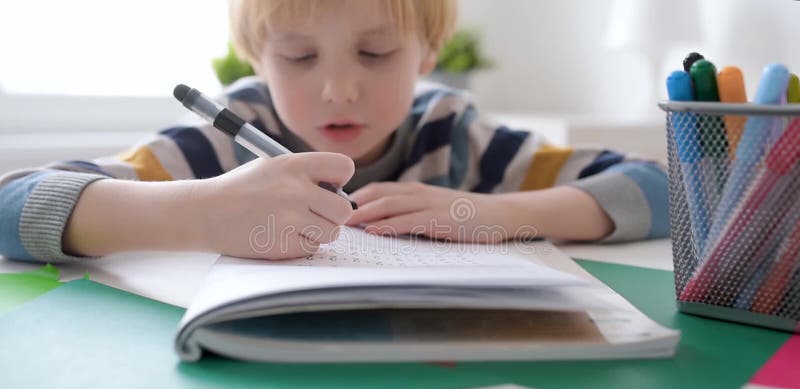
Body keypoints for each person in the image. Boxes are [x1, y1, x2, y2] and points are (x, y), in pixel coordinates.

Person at [0, 0, 668, 264]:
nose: (338, 90)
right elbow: (14, 204)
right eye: (298, 58)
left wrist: (486, 212)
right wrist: (201, 211)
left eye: (375, 55)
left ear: (428, 55)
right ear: (258, 61)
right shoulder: (224, 139)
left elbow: (658, 186)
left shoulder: (451, 132)